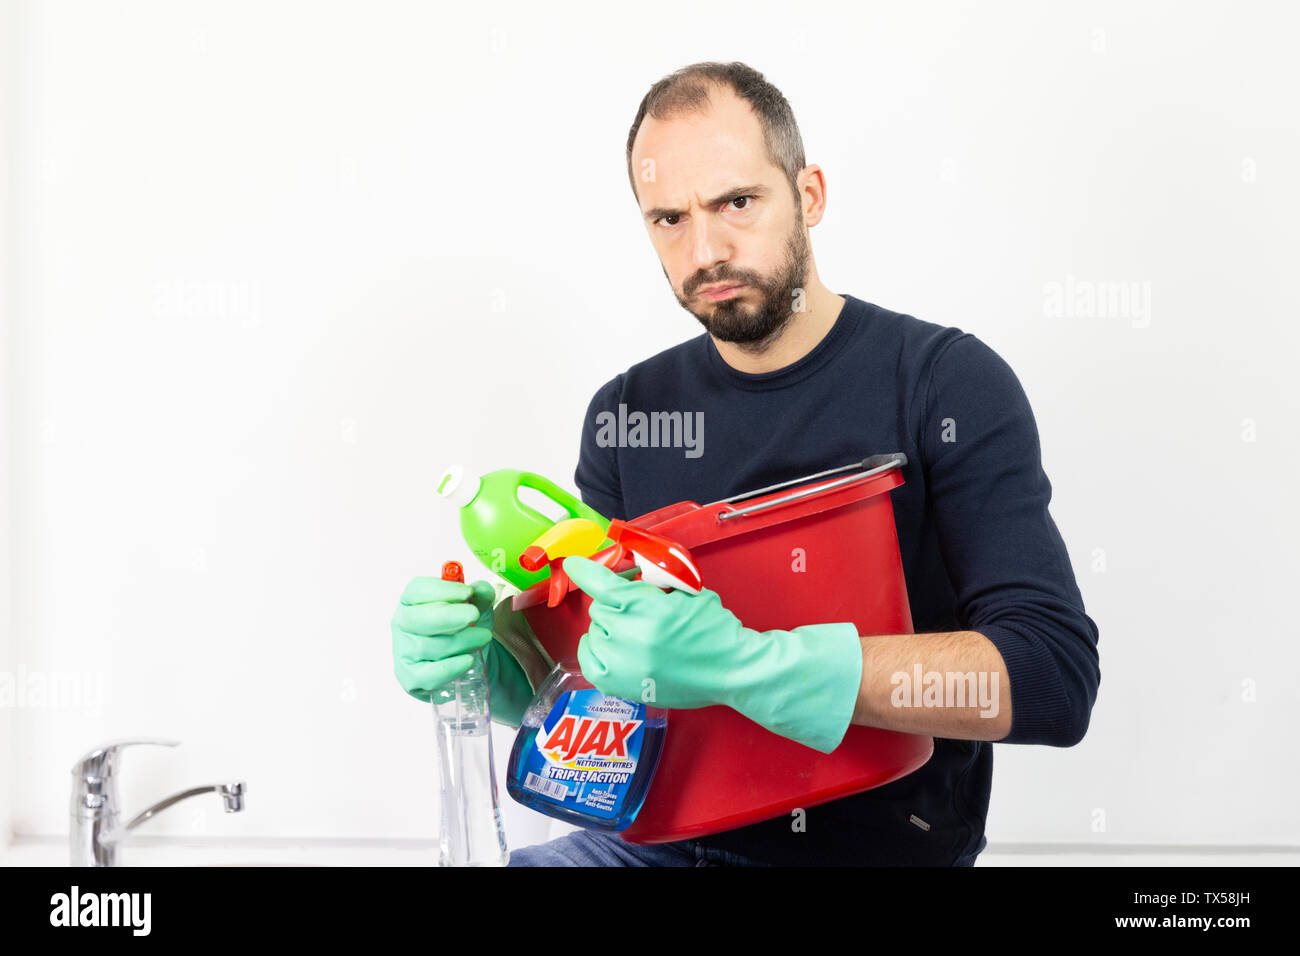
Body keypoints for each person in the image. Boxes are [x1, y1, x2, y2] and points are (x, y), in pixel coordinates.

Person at [391, 61, 1100, 867]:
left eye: (736, 202)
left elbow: (1052, 677)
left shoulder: (944, 381)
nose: (706, 249)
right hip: (651, 847)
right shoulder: (629, 414)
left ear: (810, 195)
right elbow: (610, 697)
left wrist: (754, 665)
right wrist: (505, 667)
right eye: (668, 217)